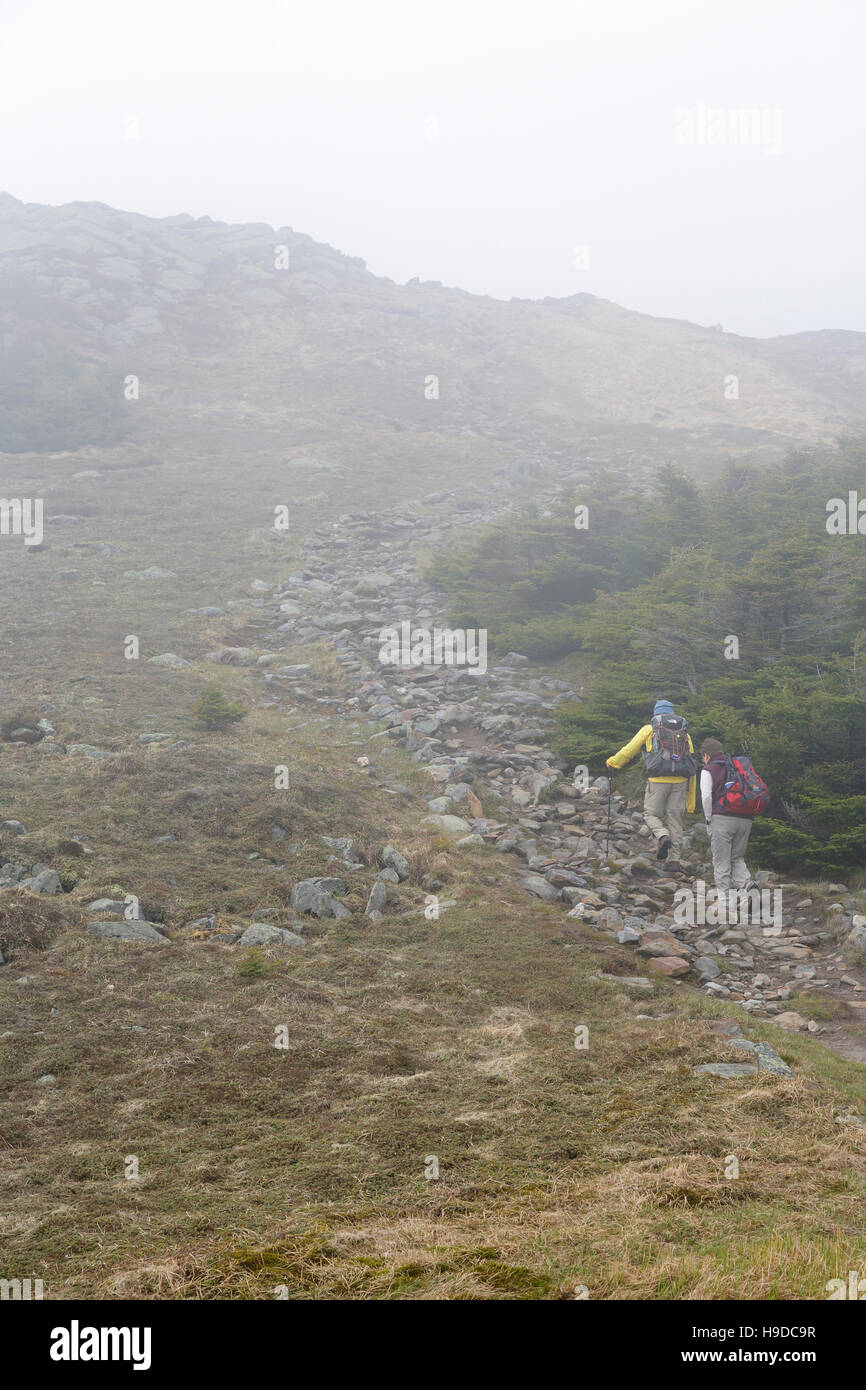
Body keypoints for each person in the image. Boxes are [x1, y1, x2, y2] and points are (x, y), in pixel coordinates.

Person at [606, 699, 697, 860]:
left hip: (658, 780)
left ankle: (662, 836)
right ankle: (674, 860)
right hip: (681, 781)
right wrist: (691, 802)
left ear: (656, 714)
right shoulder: (685, 733)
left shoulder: (650, 729)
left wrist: (613, 762)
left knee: (650, 814)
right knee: (675, 819)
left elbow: (629, 750)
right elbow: (691, 762)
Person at [699, 737, 754, 891]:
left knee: (721, 862)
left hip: (722, 818)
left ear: (706, 756)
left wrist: (708, 819)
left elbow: (706, 797)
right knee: (737, 858)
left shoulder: (708, 769)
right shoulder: (736, 765)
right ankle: (748, 885)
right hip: (746, 818)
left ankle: (725, 902)